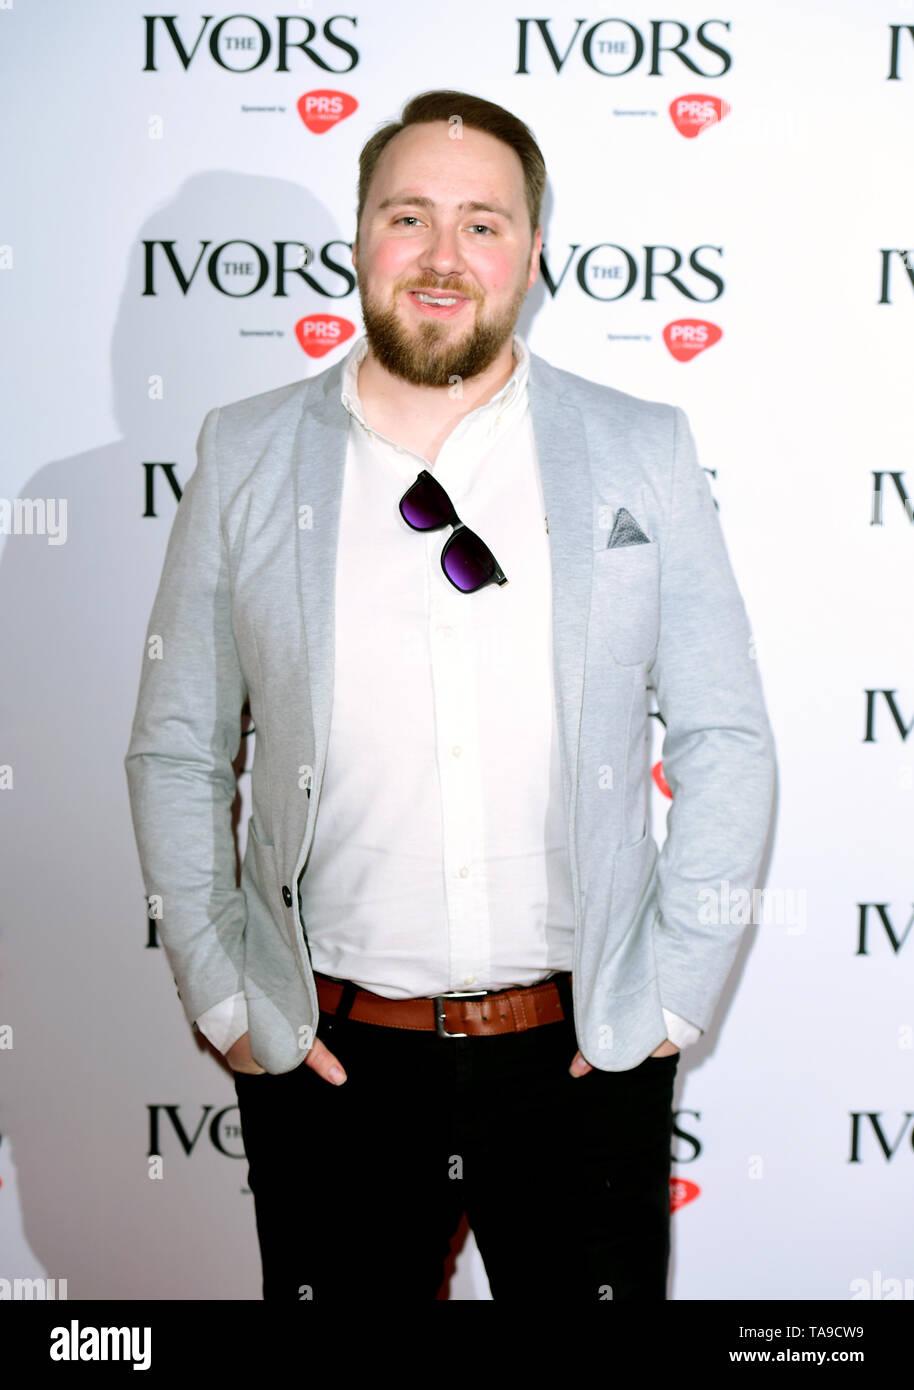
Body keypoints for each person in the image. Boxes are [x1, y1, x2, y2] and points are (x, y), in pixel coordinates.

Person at [125, 89, 777, 1302]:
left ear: (533, 253)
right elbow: (176, 746)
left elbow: (724, 736)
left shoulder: (640, 447)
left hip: (580, 1058)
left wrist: (674, 994)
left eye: (482, 222)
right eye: (407, 216)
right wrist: (223, 994)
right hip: (331, 1064)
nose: (441, 255)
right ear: (360, 239)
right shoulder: (245, 453)